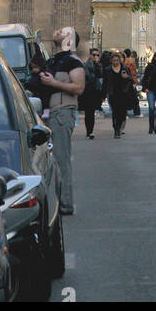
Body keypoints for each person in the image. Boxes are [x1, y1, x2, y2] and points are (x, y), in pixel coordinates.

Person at [36, 27, 85, 215]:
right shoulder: (54, 60)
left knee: (61, 160)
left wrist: (53, 83)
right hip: (48, 114)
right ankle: (52, 203)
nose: (57, 31)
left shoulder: (73, 61)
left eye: (63, 32)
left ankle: (65, 204)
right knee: (46, 161)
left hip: (62, 113)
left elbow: (79, 88)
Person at [103, 50, 136, 137]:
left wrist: (127, 77)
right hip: (113, 93)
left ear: (119, 60)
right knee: (115, 112)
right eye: (114, 60)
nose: (115, 62)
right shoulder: (108, 70)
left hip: (123, 93)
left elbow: (131, 80)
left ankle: (120, 126)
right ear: (111, 61)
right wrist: (103, 95)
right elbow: (105, 83)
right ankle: (116, 129)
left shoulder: (125, 68)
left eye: (117, 60)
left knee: (122, 113)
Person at [79, 47, 104, 138]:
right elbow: (87, 77)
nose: (96, 57)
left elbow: (100, 74)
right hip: (87, 91)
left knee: (92, 112)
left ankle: (90, 131)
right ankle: (88, 132)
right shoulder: (86, 65)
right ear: (90, 55)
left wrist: (97, 65)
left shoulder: (98, 65)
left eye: (97, 55)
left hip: (95, 91)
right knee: (88, 112)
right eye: (94, 55)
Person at [123, 49, 141, 117]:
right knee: (134, 96)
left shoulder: (124, 61)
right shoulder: (132, 60)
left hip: (126, 80)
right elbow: (134, 69)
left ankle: (126, 112)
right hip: (132, 79)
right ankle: (136, 112)